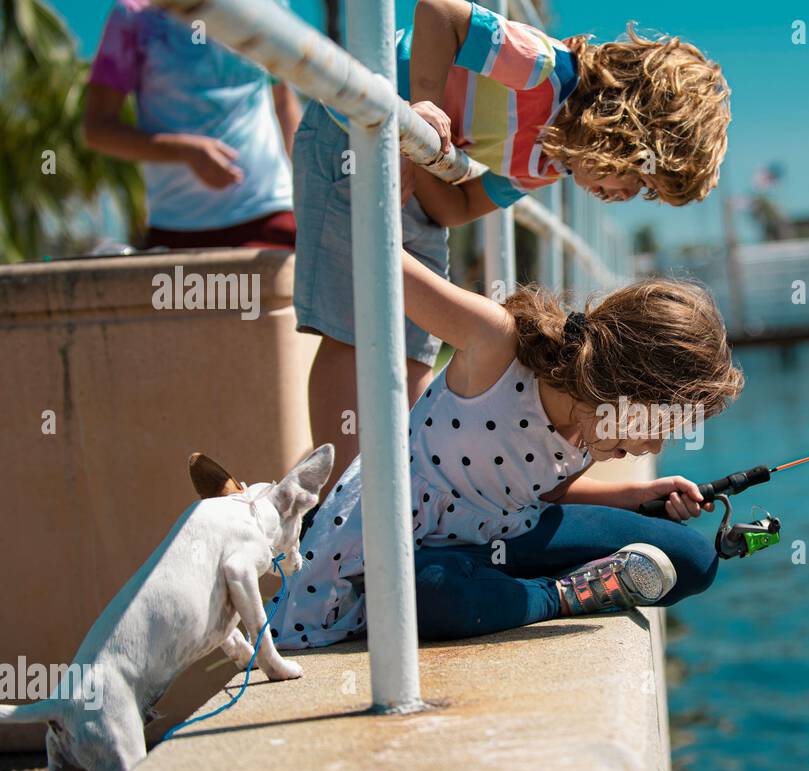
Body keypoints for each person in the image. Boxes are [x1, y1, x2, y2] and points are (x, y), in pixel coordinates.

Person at [293, 0, 731, 491]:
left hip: (406, 176)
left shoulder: (547, 164)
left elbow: (455, 208)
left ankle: (413, 487)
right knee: (348, 329)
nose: (626, 196)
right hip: (348, 130)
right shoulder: (542, 68)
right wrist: (423, 108)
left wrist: (411, 170)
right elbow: (441, 13)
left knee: (418, 340)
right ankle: (335, 496)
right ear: (624, 126)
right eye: (638, 175)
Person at [269, 269, 743, 646]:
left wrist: (637, 494)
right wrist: (394, 154)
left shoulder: (592, 423)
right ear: (624, 384)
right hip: (415, 543)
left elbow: (547, 490)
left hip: (508, 530)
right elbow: (377, 258)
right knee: (432, 593)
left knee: (693, 559)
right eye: (656, 428)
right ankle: (554, 596)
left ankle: (509, 591)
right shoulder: (494, 345)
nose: (653, 448)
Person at [82, 0, 300, 250]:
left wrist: (306, 191)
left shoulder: (267, 5)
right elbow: (98, 128)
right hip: (178, 229)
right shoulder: (134, 14)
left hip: (272, 214)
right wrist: (184, 151)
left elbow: (283, 101)